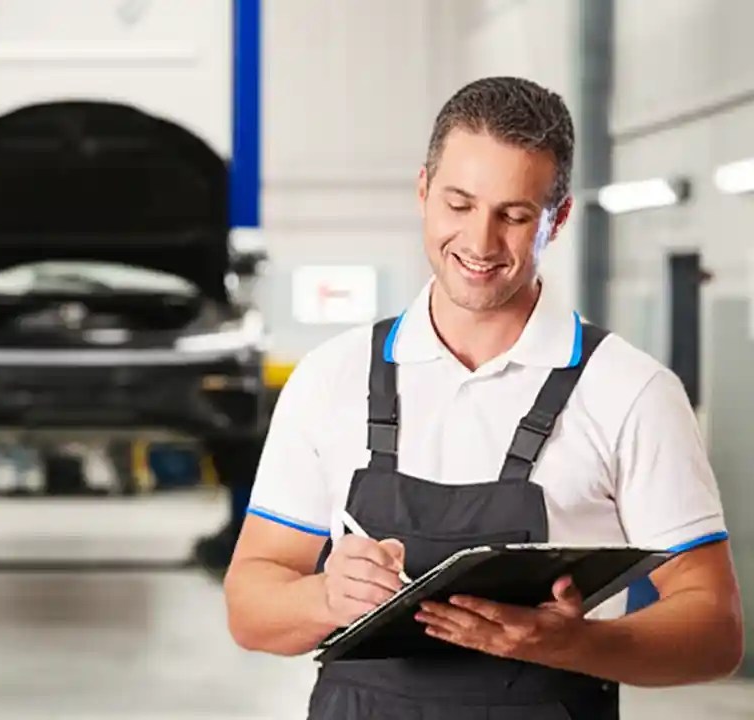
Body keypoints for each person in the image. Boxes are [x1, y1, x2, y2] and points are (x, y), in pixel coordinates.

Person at [222, 76, 744, 719]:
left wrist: (578, 642)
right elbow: (250, 605)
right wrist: (327, 598)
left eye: (515, 215)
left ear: (558, 218)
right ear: (423, 190)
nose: (480, 242)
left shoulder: (631, 393)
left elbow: (714, 632)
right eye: (459, 204)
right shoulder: (332, 379)